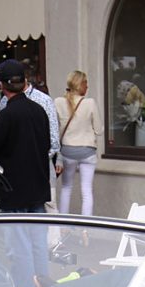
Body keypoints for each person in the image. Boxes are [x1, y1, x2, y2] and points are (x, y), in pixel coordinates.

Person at [0, 59, 52, 287]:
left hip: (14, 190)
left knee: (19, 246)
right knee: (38, 243)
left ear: (2, 85)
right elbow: (48, 145)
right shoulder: (39, 111)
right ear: (24, 82)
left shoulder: (8, 115)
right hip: (38, 186)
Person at [54, 70, 104, 216]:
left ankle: (62, 224)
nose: (87, 86)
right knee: (87, 190)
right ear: (80, 84)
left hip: (67, 151)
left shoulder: (58, 102)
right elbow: (99, 130)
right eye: (85, 83)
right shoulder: (90, 103)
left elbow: (54, 128)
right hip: (87, 151)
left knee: (66, 188)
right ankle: (86, 226)